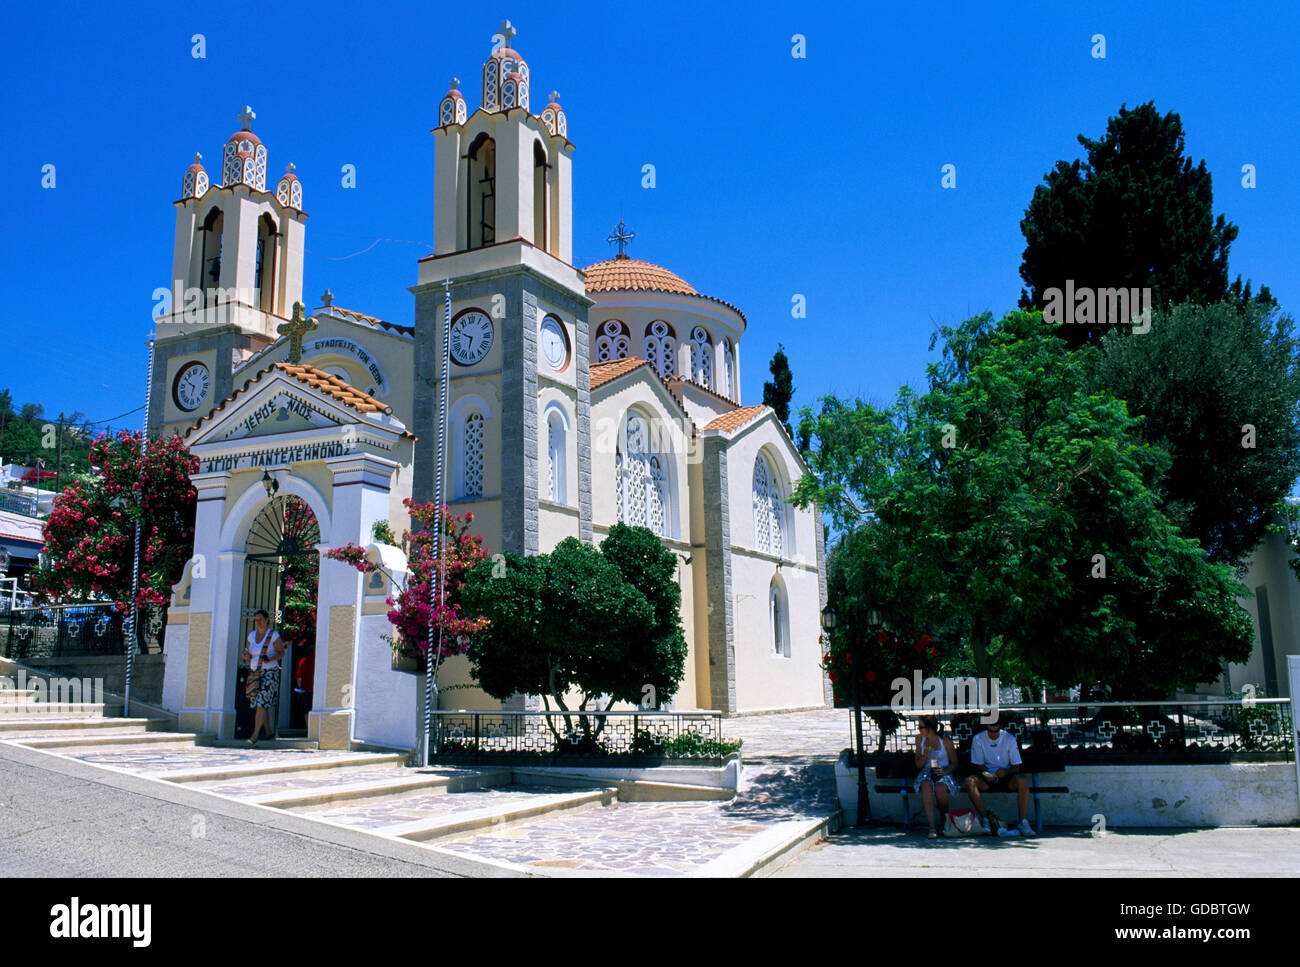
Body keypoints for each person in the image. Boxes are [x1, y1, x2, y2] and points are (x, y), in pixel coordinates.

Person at [964, 713, 1036, 837]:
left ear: (1000, 727)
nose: (993, 734)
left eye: (996, 730)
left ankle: (1023, 822)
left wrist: (1005, 771)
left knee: (1023, 781)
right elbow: (979, 766)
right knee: (970, 782)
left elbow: (1016, 766)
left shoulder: (1009, 739)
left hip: (1007, 777)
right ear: (986, 726)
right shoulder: (978, 739)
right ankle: (987, 820)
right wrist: (986, 774)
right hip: (987, 777)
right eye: (990, 730)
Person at [241, 610, 284, 746]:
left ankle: (254, 736)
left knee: (261, 703)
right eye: (256, 619)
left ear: (267, 620)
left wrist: (271, 658)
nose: (258, 622)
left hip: (269, 673)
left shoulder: (273, 636)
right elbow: (248, 651)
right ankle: (269, 732)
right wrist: (246, 656)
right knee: (259, 703)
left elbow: (281, 652)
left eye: (260, 619)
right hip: (255, 673)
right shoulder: (251, 636)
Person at [913, 715, 960, 839]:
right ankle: (932, 826)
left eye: (921, 727)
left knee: (940, 788)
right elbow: (918, 765)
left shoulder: (945, 741)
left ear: (930, 728)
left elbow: (955, 763)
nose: (919, 730)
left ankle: (945, 822)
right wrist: (924, 756)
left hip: (943, 771)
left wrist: (944, 772)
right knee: (926, 785)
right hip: (927, 771)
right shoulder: (920, 740)